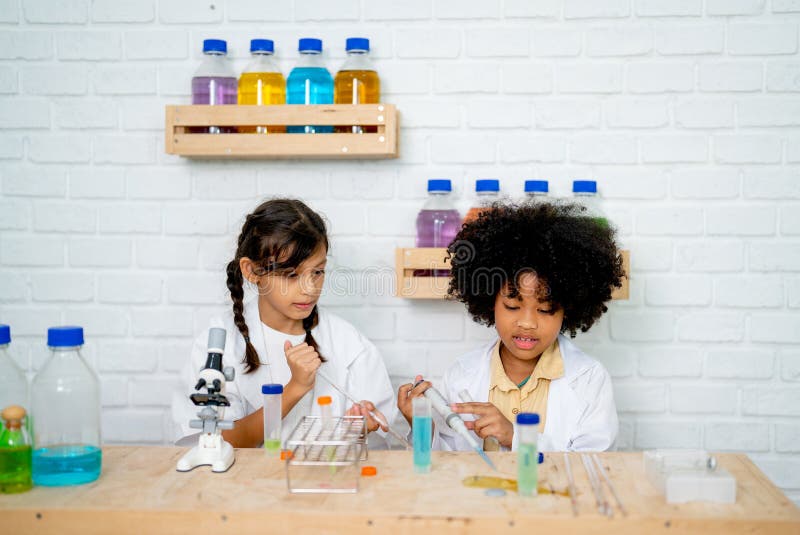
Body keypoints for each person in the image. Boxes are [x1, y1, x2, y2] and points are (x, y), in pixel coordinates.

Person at [397, 201, 625, 452]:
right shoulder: (462, 375)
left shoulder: (589, 379)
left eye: (545, 309)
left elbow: (595, 466)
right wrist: (424, 429)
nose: (527, 323)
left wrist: (515, 436)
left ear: (568, 309)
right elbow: (448, 464)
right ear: (489, 301)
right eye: (513, 306)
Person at [172, 198, 395, 448]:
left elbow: (383, 440)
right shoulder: (218, 343)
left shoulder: (349, 343)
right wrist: (294, 389)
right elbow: (210, 443)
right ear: (251, 270)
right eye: (291, 275)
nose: (310, 289)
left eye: (318, 272)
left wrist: (362, 429)